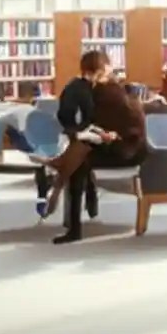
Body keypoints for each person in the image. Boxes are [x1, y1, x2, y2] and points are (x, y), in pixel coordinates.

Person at [51, 73, 150, 244]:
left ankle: (74, 228)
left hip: (123, 154)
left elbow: (114, 137)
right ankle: (67, 174)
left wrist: (102, 135)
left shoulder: (104, 108)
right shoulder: (132, 103)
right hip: (136, 153)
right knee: (82, 150)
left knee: (79, 160)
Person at [42, 50, 113, 222]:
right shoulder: (84, 89)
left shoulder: (76, 86)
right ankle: (63, 184)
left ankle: (59, 181)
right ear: (100, 70)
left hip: (77, 135)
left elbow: (68, 118)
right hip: (79, 135)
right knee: (83, 148)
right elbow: (84, 119)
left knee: (80, 149)